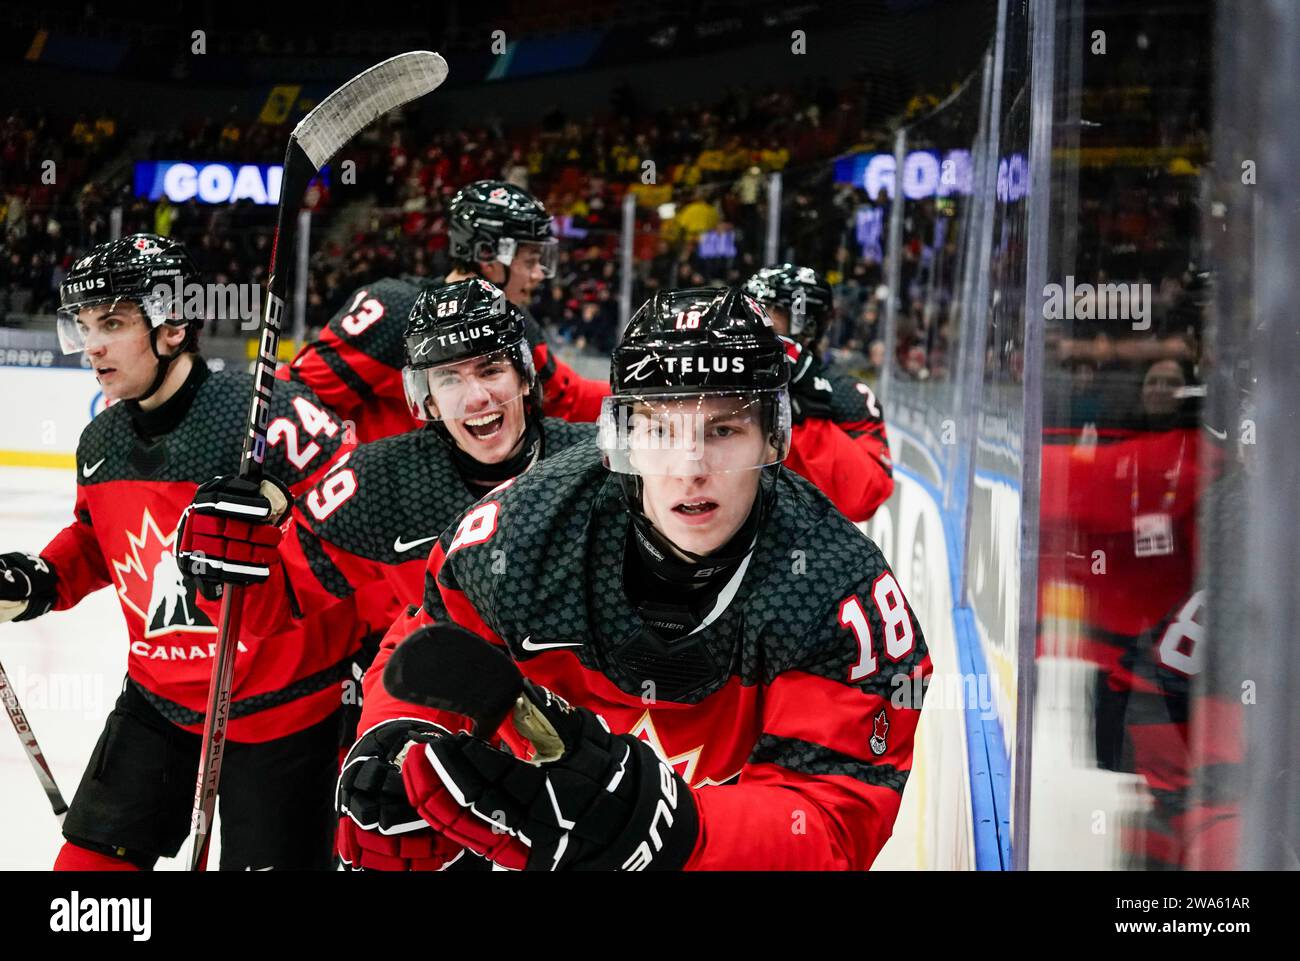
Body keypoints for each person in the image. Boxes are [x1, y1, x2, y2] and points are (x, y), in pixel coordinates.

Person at [337, 286, 931, 871]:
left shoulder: (838, 590)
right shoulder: (520, 531)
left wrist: (679, 834)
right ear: (621, 438)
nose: (689, 468)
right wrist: (402, 734)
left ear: (773, 435)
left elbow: (833, 822)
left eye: (723, 431)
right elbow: (436, 639)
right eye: (659, 431)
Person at [0, 234, 352, 870]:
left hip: (284, 712)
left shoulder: (270, 421)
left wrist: (274, 551)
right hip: (159, 700)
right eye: (83, 327)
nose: (93, 346)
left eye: (112, 323)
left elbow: (357, 547)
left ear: (172, 324)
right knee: (84, 888)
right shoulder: (101, 439)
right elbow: (98, 538)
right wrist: (41, 579)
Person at [177, 278, 594, 780]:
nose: (477, 396)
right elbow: (273, 606)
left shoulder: (597, 467)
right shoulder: (380, 481)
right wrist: (229, 559)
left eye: (491, 369)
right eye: (449, 378)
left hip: (582, 745)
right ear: (428, 401)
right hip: (438, 739)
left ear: (525, 376)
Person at [282, 180, 610, 443]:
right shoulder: (392, 310)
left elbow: (570, 399)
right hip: (390, 513)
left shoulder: (515, 321)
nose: (538, 273)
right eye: (529, 261)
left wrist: (647, 383)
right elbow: (295, 395)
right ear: (488, 256)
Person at [744, 263, 894, 521]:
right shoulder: (720, 375)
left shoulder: (846, 395)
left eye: (772, 311)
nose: (756, 320)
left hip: (794, 546)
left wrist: (807, 410)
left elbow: (862, 501)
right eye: (751, 308)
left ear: (807, 326)